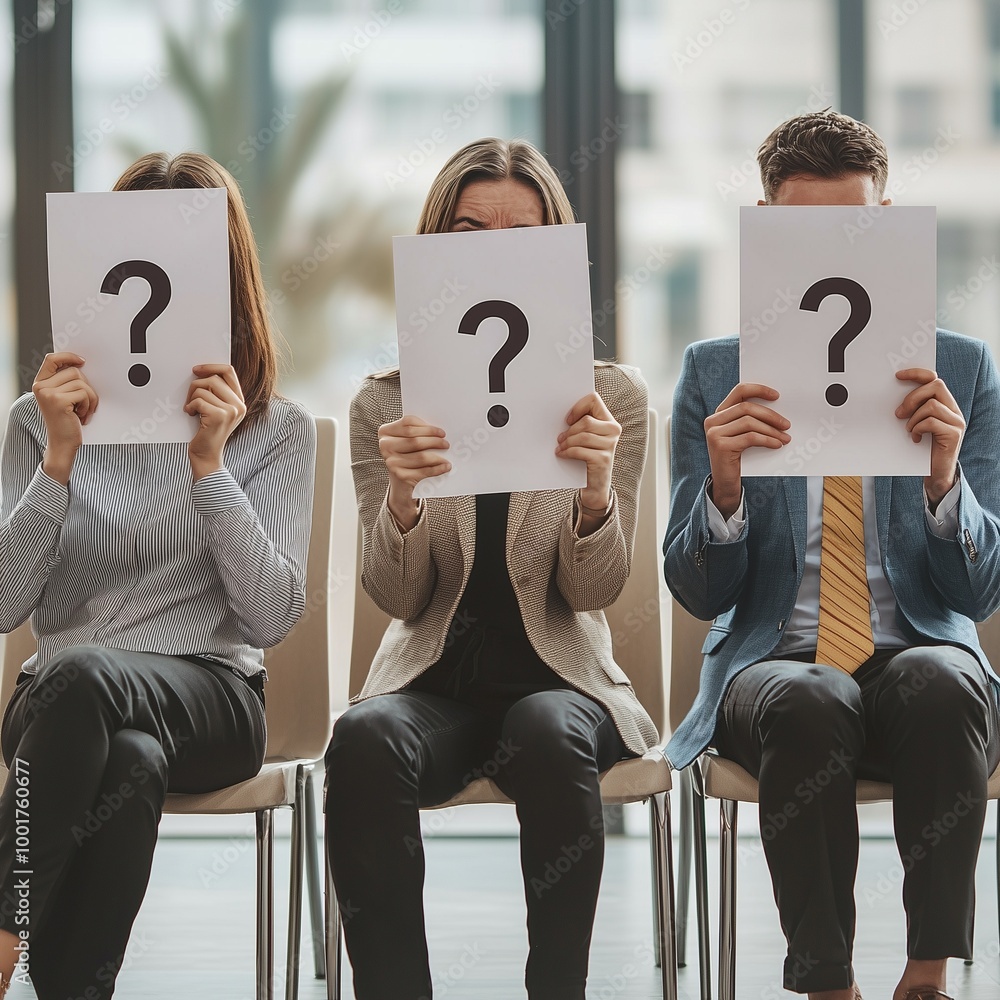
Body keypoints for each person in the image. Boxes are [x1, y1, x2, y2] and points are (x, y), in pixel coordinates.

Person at [664, 109, 1000, 1000]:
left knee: (943, 678)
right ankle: (828, 985)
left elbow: (982, 587)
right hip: (774, 665)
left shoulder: (961, 370)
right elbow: (697, 592)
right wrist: (725, 488)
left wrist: (942, 482)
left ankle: (927, 974)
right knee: (814, 695)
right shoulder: (713, 372)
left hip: (915, 654)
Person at [326, 137, 658, 1000]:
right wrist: (401, 499)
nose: (492, 254)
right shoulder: (384, 405)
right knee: (361, 736)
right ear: (434, 246)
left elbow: (593, 592)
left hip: (558, 679)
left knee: (548, 732)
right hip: (435, 681)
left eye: (520, 233)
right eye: (469, 230)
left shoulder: (609, 398)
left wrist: (593, 490)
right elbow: (397, 597)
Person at [0, 152, 316, 999]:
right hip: (60, 707)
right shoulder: (38, 420)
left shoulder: (275, 429)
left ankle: (1, 927)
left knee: (84, 676)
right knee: (128, 754)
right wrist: (57, 465)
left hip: (211, 698)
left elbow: (273, 616)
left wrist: (210, 468)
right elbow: (3, 606)